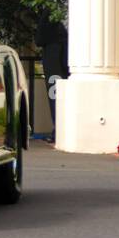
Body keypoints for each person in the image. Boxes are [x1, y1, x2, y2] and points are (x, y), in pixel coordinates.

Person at [35, 11, 68, 143]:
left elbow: (39, 39)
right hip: (67, 54)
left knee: (55, 94)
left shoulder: (49, 12)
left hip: (53, 56)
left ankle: (58, 131)